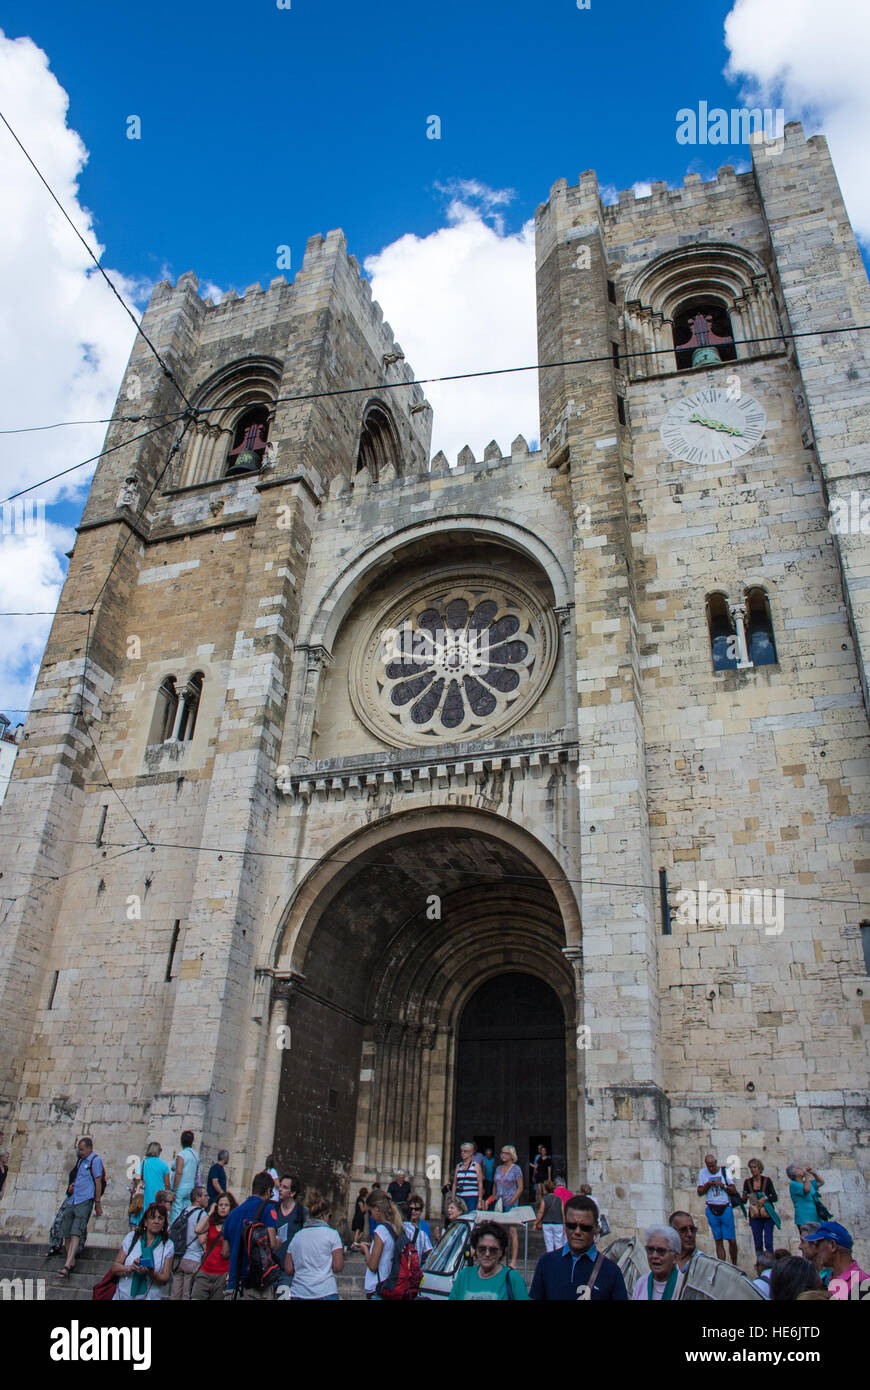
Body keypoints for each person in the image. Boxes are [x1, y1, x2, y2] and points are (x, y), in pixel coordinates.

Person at [529, 1195, 628, 1301]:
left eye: (584, 1227)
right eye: (571, 1226)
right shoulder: (546, 1263)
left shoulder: (611, 1272)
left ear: (596, 1228)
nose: (577, 1232)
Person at [222, 1170, 279, 1299]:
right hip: (256, 1287)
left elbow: (225, 1252)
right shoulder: (267, 1209)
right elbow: (272, 1244)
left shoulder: (232, 1214)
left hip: (234, 1287)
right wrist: (278, 1241)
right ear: (268, 1190)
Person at [59, 1136, 104, 1278]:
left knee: (76, 1232)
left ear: (89, 1148)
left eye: (82, 1149)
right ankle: (70, 1261)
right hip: (73, 1199)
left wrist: (97, 1203)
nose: (80, 1152)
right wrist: (72, 1186)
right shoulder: (80, 1161)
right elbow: (77, 1177)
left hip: (85, 1200)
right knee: (66, 1231)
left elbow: (98, 1182)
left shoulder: (95, 1161)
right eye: (79, 1149)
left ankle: (67, 1265)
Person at [284, 1192, 344, 1299]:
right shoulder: (332, 1234)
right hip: (325, 1291)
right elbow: (338, 1266)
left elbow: (288, 1269)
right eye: (329, 1216)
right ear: (324, 1215)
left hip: (299, 1291)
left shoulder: (297, 1236)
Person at [449, 1220, 529, 1300]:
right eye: (482, 1249)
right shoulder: (464, 1275)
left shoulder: (513, 1278)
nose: (487, 1254)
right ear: (475, 1250)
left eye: (493, 1250)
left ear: (501, 1252)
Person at [110, 1203, 174, 1300]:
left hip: (151, 1296)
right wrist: (130, 1268)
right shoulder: (132, 1237)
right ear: (145, 1222)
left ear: (164, 1223)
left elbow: (165, 1278)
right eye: (152, 1218)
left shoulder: (168, 1245)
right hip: (123, 1295)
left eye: (160, 1218)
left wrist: (151, 1274)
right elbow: (115, 1267)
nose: (156, 1221)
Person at [801, 1220, 869, 1300]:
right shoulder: (824, 1279)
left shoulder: (862, 1284)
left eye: (817, 1245)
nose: (816, 1250)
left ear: (832, 1246)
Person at [191, 1192, 237, 1300]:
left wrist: (231, 1273)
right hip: (205, 1271)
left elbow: (235, 1251)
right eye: (220, 1205)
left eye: (226, 1205)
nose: (223, 1208)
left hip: (222, 1274)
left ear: (231, 1207)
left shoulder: (233, 1226)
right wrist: (210, 1212)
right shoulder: (211, 1222)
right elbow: (197, 1230)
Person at [696, 1152, 739, 1264]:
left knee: (731, 1240)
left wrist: (723, 1185)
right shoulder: (703, 1173)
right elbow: (699, 1192)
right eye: (708, 1166)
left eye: (712, 1165)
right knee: (718, 1240)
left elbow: (734, 1190)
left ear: (716, 1162)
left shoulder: (725, 1172)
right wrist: (708, 1184)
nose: (711, 1168)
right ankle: (723, 1265)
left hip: (725, 1207)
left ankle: (734, 1263)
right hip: (711, 1208)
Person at [360, 1192, 403, 1300]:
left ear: (377, 1209)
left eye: (370, 1211)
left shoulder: (381, 1231)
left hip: (377, 1288)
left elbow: (373, 1266)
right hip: (389, 1286)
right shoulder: (394, 1228)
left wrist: (365, 1250)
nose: (371, 1215)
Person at [170, 1184, 209, 1299]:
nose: (208, 1198)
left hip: (178, 1259)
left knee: (175, 1294)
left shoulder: (184, 1212)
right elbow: (202, 1240)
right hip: (193, 1259)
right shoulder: (202, 1215)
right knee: (187, 1295)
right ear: (197, 1198)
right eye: (205, 1196)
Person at [274, 1175, 308, 1295]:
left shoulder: (301, 1212)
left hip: (290, 1270)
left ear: (292, 1192)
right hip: (271, 1267)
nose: (280, 1189)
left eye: (285, 1187)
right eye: (280, 1186)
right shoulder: (274, 1209)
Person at [633, 1226, 684, 1300]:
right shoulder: (641, 1283)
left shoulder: (683, 1285)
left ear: (675, 1257)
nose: (654, 1256)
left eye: (661, 1251)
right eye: (650, 1250)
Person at [493, 1144, 524, 1268]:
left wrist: (513, 1200)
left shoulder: (516, 1169)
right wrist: (493, 1197)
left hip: (511, 1203)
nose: (503, 1155)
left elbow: (520, 1187)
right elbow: (495, 1184)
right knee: (499, 1231)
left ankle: (513, 1260)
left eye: (506, 1153)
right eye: (502, 1152)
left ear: (512, 1155)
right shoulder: (498, 1169)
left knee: (512, 1231)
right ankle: (502, 1256)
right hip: (499, 1203)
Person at [743, 1158, 778, 1254]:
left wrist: (765, 1198)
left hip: (766, 1214)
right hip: (755, 1215)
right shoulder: (748, 1182)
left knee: (768, 1243)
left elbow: (774, 1197)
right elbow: (744, 1200)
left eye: (755, 1167)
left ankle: (770, 1263)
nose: (753, 1170)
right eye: (751, 1168)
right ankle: (760, 1265)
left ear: (759, 1168)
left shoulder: (767, 1180)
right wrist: (745, 1195)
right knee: (758, 1244)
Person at [170, 1130, 201, 1224]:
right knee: (186, 1212)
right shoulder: (196, 1155)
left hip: (180, 1187)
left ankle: (174, 1232)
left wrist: (174, 1190)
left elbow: (179, 1172)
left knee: (176, 1212)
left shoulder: (182, 1155)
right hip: (190, 1188)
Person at [786, 1163, 826, 1231]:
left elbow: (821, 1182)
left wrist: (814, 1173)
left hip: (814, 1216)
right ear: (794, 1174)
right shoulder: (794, 1184)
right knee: (806, 1238)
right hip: (804, 1217)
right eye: (798, 1168)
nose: (801, 1169)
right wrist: (807, 1175)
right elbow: (807, 1190)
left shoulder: (807, 1183)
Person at [535, 1179, 566, 1252]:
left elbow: (541, 1211)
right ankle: (559, 1259)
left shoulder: (544, 1199)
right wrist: (564, 1224)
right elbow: (563, 1212)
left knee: (549, 1244)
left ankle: (550, 1259)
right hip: (559, 1223)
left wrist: (536, 1222)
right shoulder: (559, 1199)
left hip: (547, 1223)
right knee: (559, 1244)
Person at [451, 1142, 483, 1212]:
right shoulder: (458, 1166)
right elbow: (454, 1184)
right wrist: (453, 1199)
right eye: (462, 1151)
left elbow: (480, 1184)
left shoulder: (476, 1166)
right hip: (459, 1197)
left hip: (472, 1198)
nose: (463, 1153)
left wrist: (480, 1201)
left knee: (469, 1217)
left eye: (465, 1151)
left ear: (471, 1153)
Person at [140, 1142, 170, 1211]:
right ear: (159, 1151)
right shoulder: (164, 1165)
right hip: (158, 1195)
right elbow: (167, 1184)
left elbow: (137, 1178)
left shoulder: (143, 1163)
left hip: (145, 1193)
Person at [405, 1196, 433, 1263]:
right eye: (411, 1209)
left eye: (416, 1209)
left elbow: (428, 1251)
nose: (413, 1211)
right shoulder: (403, 1225)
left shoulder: (425, 1226)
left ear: (421, 1210)